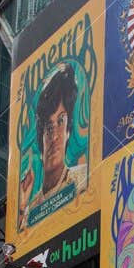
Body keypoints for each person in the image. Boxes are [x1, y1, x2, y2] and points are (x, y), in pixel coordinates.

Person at [19, 65, 89, 221]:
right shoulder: (31, 210)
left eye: (61, 121)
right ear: (40, 137)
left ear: (68, 131)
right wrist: (22, 206)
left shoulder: (83, 177)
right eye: (48, 127)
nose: (54, 136)